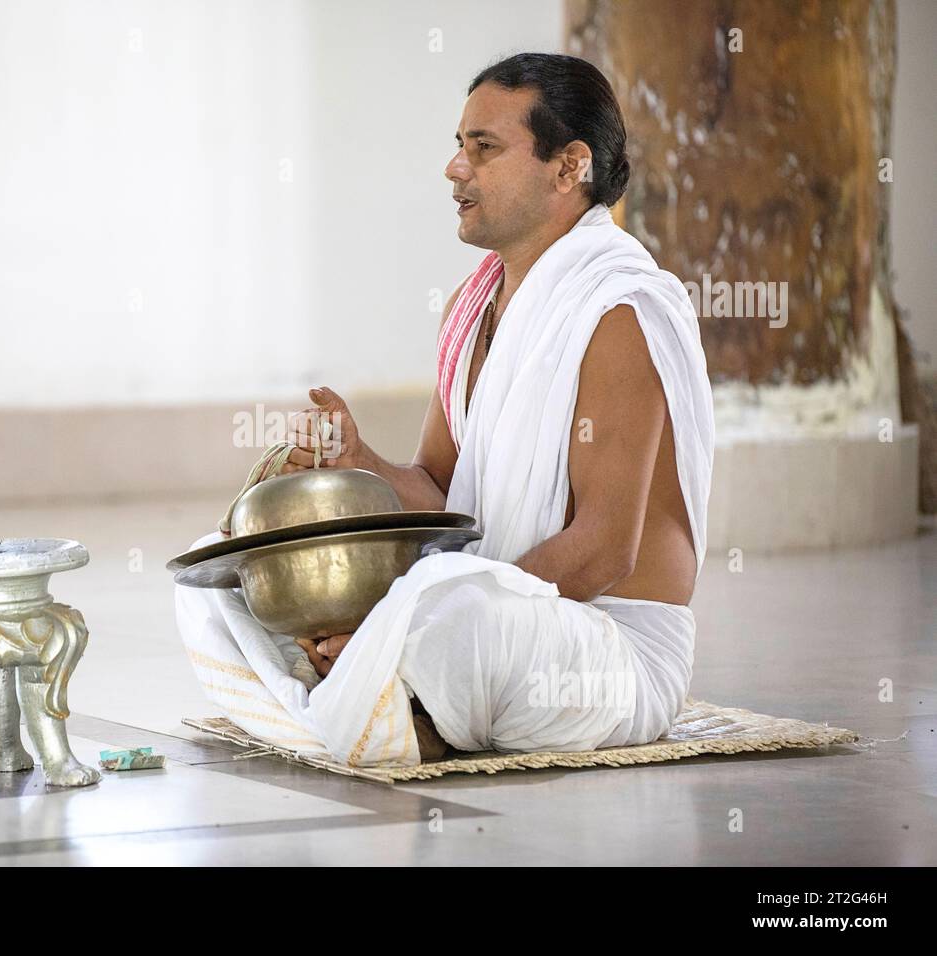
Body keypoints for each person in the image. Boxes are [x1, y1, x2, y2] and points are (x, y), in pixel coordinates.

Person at [175, 52, 714, 766]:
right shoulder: (470, 308)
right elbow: (438, 492)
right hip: (483, 611)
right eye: (460, 147)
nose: (454, 169)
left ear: (568, 166)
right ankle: (388, 707)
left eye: (482, 148)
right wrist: (357, 462)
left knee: (454, 614)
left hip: (602, 651)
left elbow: (605, 550)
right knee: (224, 587)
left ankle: (377, 704)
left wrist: (398, 618)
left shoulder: (617, 310)